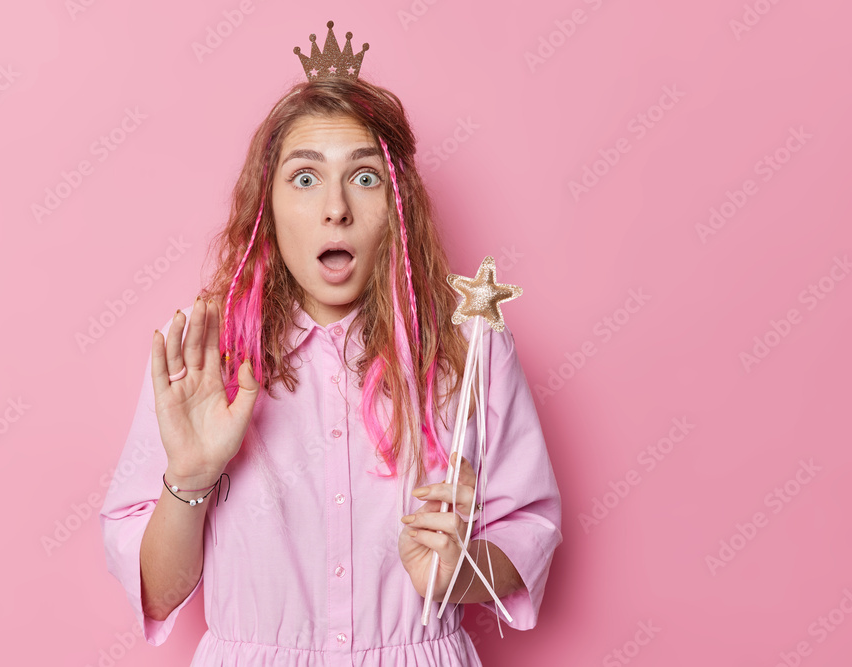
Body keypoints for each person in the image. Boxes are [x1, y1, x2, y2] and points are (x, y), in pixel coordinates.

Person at [99, 20, 562, 666]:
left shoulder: (471, 351)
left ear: (398, 205)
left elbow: (528, 530)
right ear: (267, 207)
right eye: (306, 177)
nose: (336, 208)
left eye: (365, 177)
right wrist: (190, 479)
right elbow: (158, 587)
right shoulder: (207, 362)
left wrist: (457, 570)